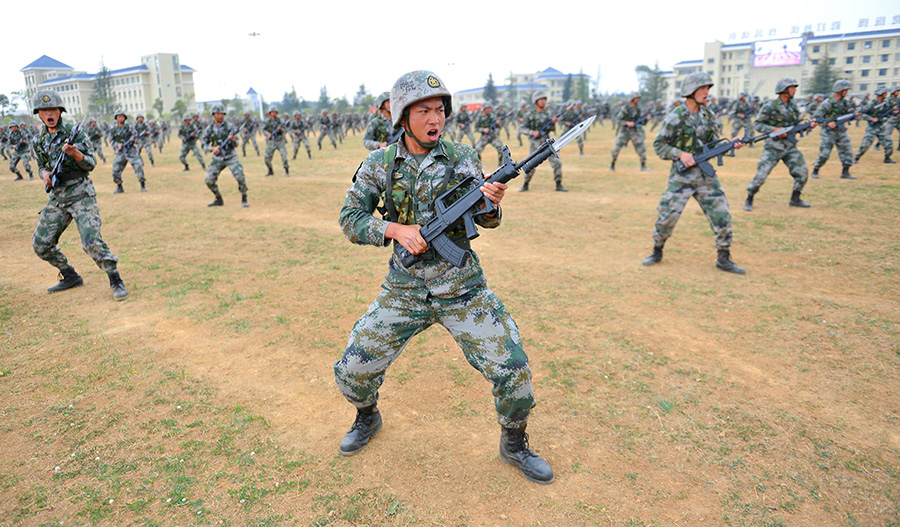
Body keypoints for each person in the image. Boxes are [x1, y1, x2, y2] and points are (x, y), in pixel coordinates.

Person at [334, 70, 554, 485]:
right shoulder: (380, 164)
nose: (435, 118)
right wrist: (395, 230)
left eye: (440, 110)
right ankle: (367, 416)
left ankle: (515, 442)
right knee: (352, 370)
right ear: (403, 117)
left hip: (462, 287)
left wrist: (491, 205)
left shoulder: (463, 157)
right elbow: (350, 219)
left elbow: (487, 221)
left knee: (514, 368)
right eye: (424, 111)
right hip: (404, 289)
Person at [641, 72, 747, 274]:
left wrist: (732, 144)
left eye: (708, 88)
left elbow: (714, 144)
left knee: (722, 215)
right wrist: (680, 154)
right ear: (690, 91)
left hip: (706, 177)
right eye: (702, 88)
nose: (707, 92)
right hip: (681, 178)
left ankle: (724, 258)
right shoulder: (675, 116)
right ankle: (657, 251)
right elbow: (659, 145)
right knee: (666, 217)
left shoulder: (710, 116)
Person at [29, 90, 127, 301]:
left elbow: (90, 163)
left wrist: (75, 153)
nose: (49, 114)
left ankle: (115, 278)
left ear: (60, 111)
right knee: (40, 244)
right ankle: (70, 275)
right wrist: (45, 174)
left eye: (53, 109)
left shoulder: (75, 133)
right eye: (44, 110)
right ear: (38, 114)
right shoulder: (38, 140)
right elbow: (41, 166)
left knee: (90, 242)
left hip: (81, 194)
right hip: (57, 197)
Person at [743, 77, 816, 211]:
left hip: (790, 146)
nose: (794, 90)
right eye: (792, 87)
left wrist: (808, 125)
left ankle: (795, 198)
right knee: (762, 174)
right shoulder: (771, 106)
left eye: (794, 87)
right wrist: (774, 130)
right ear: (783, 90)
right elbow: (758, 124)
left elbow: (795, 124)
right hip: (773, 147)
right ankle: (749, 198)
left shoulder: (793, 106)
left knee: (803, 172)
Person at [811, 80, 860, 180]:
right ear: (839, 90)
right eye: (845, 90)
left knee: (848, 151)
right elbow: (816, 118)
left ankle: (845, 173)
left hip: (840, 131)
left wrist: (855, 114)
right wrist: (827, 123)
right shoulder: (827, 103)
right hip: (828, 132)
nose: (846, 92)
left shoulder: (845, 102)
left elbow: (848, 114)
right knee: (825, 153)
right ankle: (815, 170)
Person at [201, 104, 248, 207]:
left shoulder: (230, 126)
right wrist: (213, 148)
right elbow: (203, 145)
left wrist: (233, 139)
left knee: (240, 176)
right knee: (209, 180)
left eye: (222, 114)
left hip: (231, 156)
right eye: (218, 114)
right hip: (218, 158)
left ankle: (244, 198)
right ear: (214, 114)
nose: (220, 116)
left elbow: (236, 144)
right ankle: (218, 199)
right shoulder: (209, 129)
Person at [519, 92, 566, 192]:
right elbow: (522, 129)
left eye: (544, 99)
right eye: (541, 99)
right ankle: (525, 184)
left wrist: (553, 122)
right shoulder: (530, 114)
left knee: (557, 162)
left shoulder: (548, 114)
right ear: (536, 101)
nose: (543, 101)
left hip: (547, 142)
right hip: (535, 143)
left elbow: (551, 129)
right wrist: (532, 132)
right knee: (531, 165)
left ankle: (558, 184)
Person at [855, 87, 897, 164]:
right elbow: (861, 114)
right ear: (881, 94)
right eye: (885, 93)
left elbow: (893, 108)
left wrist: (895, 110)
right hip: (872, 127)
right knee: (865, 145)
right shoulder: (871, 103)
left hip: (881, 127)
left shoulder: (886, 102)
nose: (886, 94)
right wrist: (871, 118)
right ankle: (856, 158)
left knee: (888, 143)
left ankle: (887, 158)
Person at [610, 92, 649, 172]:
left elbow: (641, 122)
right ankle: (612, 165)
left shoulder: (638, 108)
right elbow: (617, 120)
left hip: (635, 131)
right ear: (632, 99)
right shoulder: (625, 108)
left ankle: (643, 166)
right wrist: (627, 123)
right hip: (625, 131)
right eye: (636, 98)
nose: (638, 99)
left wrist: (647, 119)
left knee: (641, 148)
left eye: (639, 98)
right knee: (617, 147)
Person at [109, 109, 146, 193]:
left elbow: (136, 137)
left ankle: (143, 185)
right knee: (115, 170)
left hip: (131, 150)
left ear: (125, 118)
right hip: (121, 152)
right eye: (119, 117)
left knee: (138, 166)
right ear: (116, 118)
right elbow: (111, 141)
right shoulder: (113, 129)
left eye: (122, 116)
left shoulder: (130, 127)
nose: (121, 118)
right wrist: (117, 145)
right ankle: (119, 187)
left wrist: (133, 140)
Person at [473, 101, 504, 167]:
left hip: (493, 136)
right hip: (484, 137)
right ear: (484, 109)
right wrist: (483, 129)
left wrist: (498, 123)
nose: (488, 110)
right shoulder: (479, 117)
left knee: (501, 147)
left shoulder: (492, 115)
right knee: (477, 150)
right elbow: (476, 128)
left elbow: (498, 126)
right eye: (487, 108)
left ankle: (500, 162)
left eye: (489, 108)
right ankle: (479, 163)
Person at [263, 106, 290, 177]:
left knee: (284, 156)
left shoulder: (280, 121)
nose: (274, 113)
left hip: (280, 141)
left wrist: (281, 130)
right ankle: (270, 171)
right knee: (267, 158)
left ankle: (287, 171)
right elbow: (263, 129)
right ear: (270, 113)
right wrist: (267, 134)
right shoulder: (267, 121)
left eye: (275, 112)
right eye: (272, 112)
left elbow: (285, 129)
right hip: (272, 141)